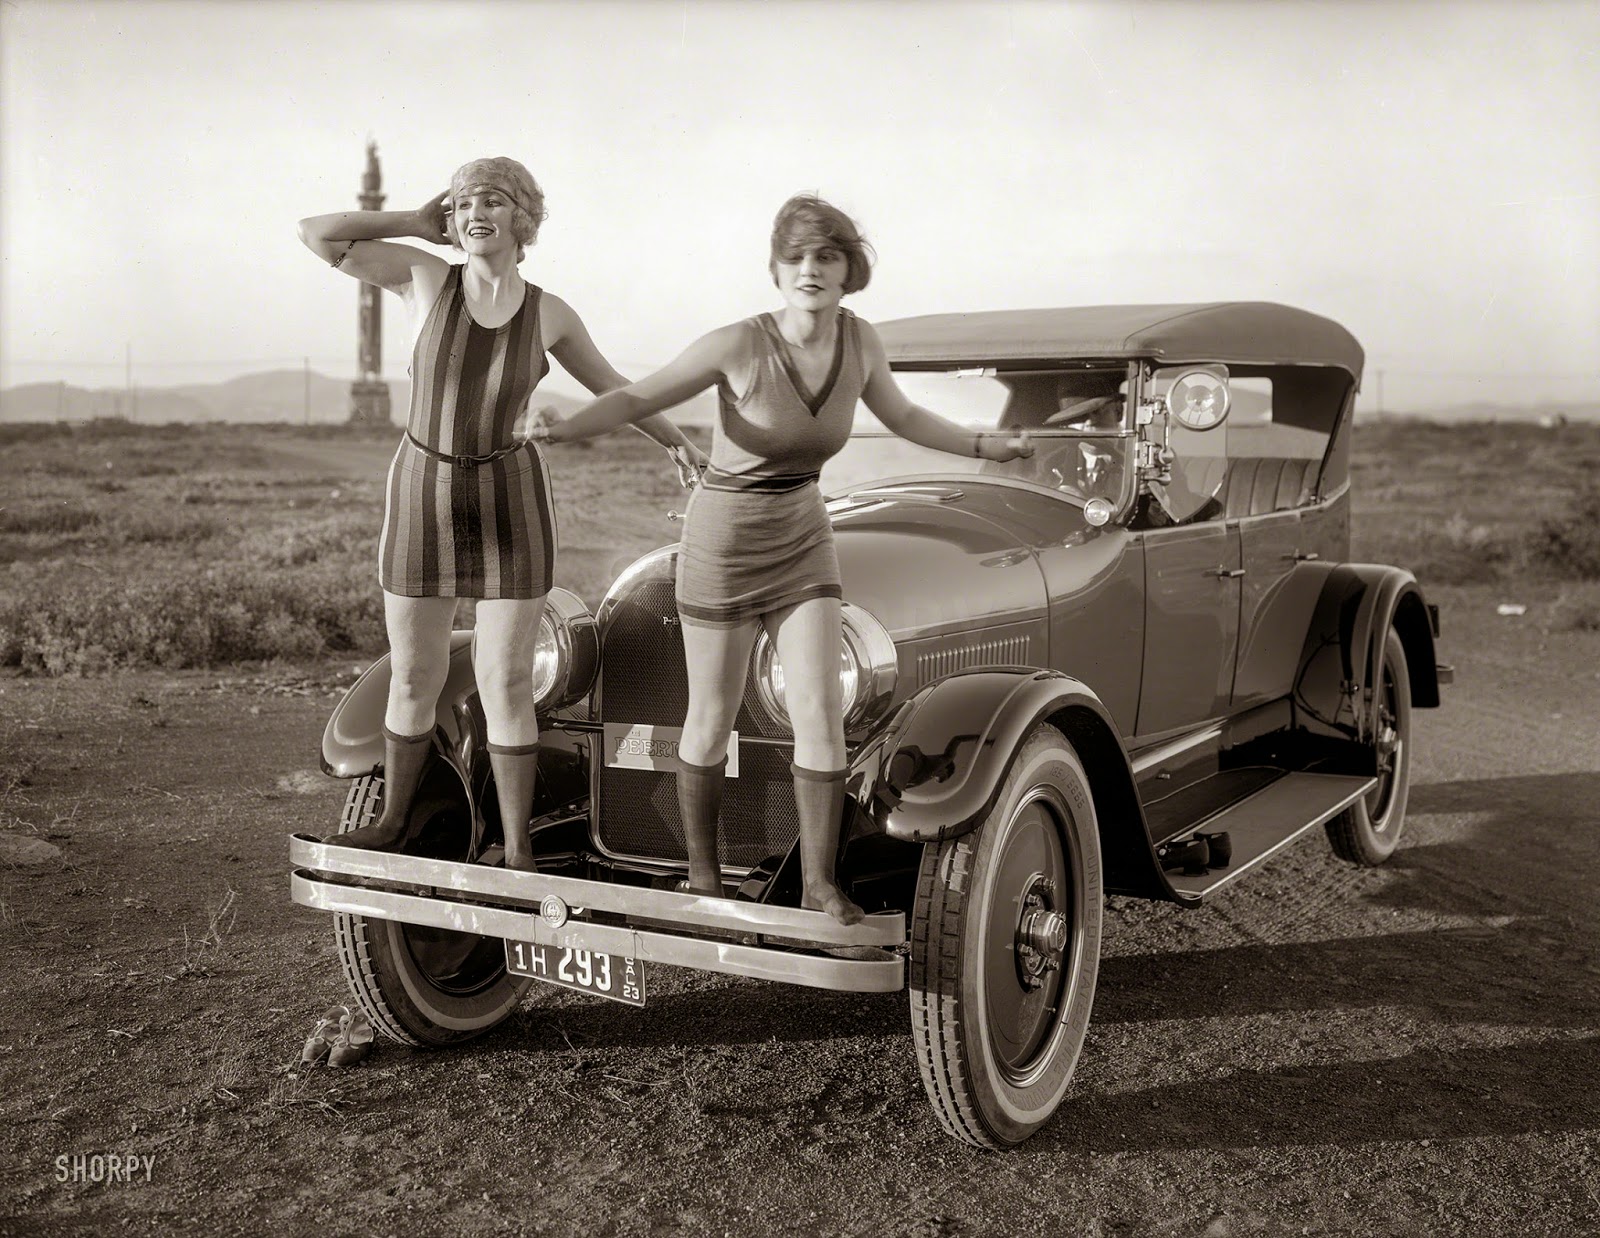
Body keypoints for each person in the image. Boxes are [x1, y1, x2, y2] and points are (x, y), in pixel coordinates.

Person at [532, 194, 1030, 922]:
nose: (811, 270)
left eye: (826, 255)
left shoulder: (859, 343)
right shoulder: (737, 344)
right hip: (724, 539)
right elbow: (639, 394)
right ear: (775, 268)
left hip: (803, 535)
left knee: (821, 711)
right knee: (710, 716)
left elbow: (908, 416)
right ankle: (702, 877)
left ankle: (821, 884)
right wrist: (570, 427)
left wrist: (987, 446)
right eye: (795, 257)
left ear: (848, 267)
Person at [298, 156, 705, 868]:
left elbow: (615, 388)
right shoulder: (424, 278)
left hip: (511, 501)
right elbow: (316, 234)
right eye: (460, 204)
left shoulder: (549, 312)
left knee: (508, 678)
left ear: (524, 216)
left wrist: (677, 442)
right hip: (422, 491)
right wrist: (412, 222)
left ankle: (515, 849)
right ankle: (394, 822)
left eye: (490, 199)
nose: (472, 212)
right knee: (415, 672)